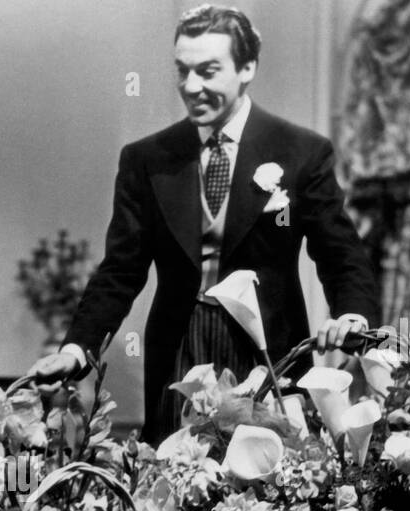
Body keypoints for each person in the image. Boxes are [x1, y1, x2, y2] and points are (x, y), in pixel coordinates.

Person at [28, 4, 381, 444]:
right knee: (175, 486)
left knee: (271, 493)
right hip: (180, 351)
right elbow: (121, 270)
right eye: (183, 71)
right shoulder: (147, 160)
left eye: (208, 71)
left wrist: (351, 315)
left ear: (247, 67)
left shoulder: (301, 152)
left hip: (267, 349)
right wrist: (75, 349)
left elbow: (340, 254)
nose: (192, 86)